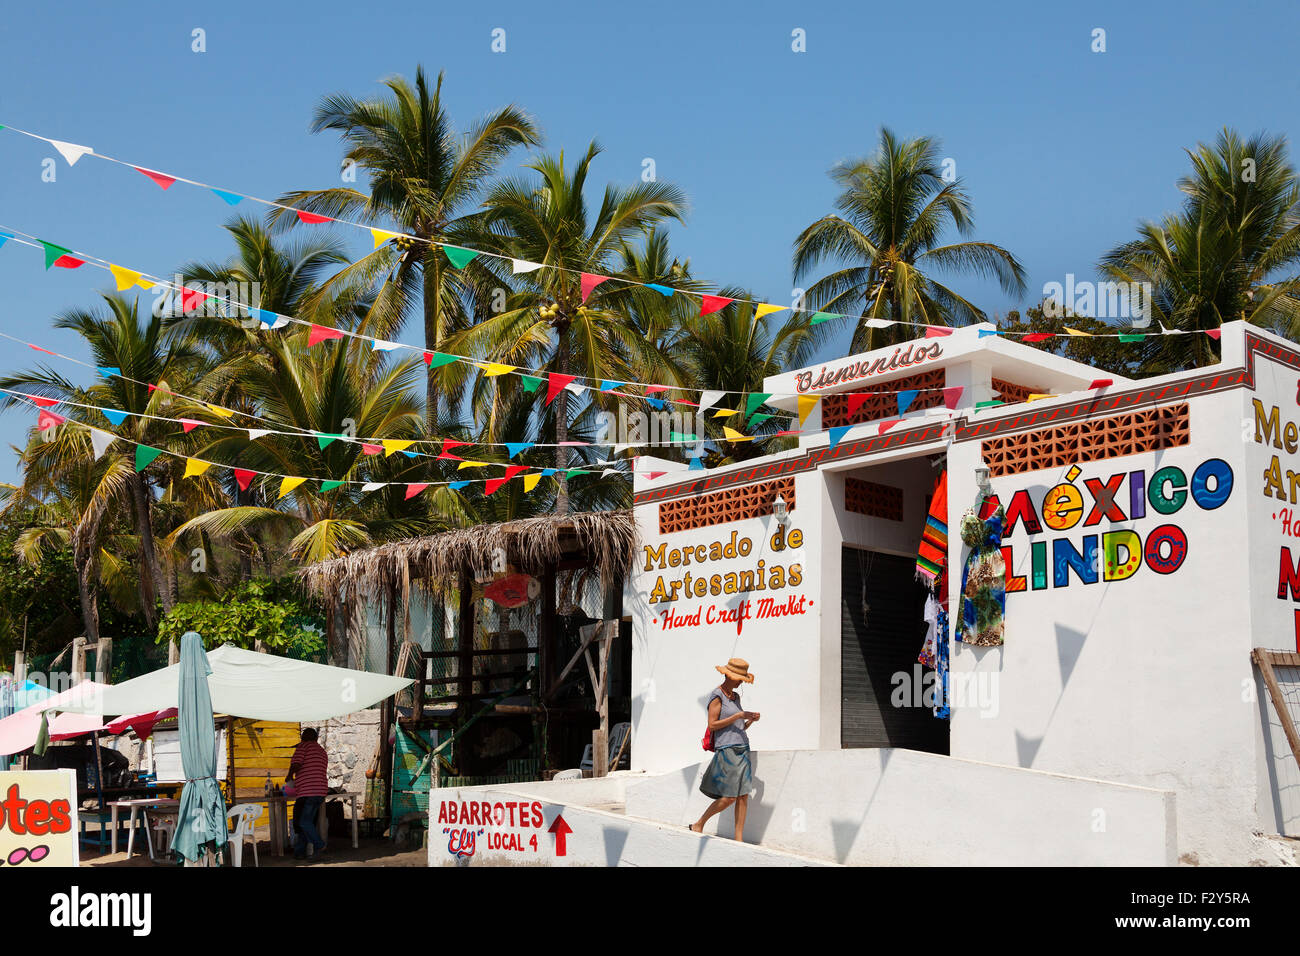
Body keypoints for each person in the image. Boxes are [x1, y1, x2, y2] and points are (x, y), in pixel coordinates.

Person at [689, 658, 760, 841]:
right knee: (729, 797)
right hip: (727, 750)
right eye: (738, 678)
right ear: (728, 675)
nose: (740, 682)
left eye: (742, 679)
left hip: (743, 747)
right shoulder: (717, 695)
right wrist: (739, 714)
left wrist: (749, 720)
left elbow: (738, 727)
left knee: (743, 795)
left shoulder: (736, 697)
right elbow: (712, 725)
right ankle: (699, 823)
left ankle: (739, 839)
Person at [284, 727, 329, 860]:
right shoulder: (322, 751)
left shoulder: (303, 747)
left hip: (307, 792)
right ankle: (299, 852)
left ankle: (320, 845)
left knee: (302, 821)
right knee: (307, 821)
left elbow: (296, 764)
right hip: (320, 792)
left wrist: (289, 775)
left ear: (304, 737)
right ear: (315, 738)